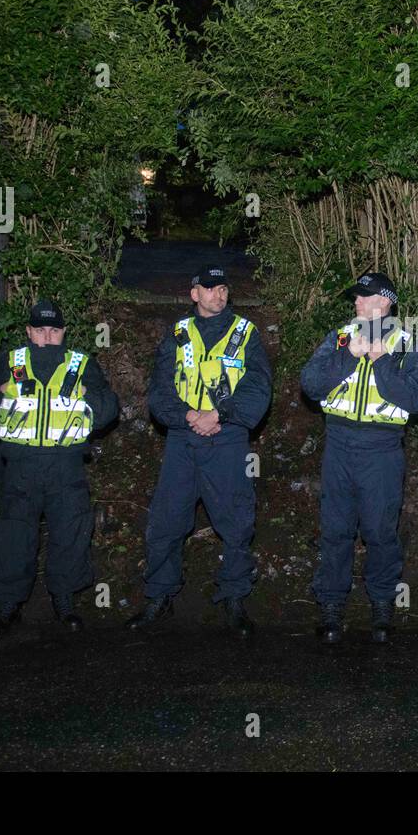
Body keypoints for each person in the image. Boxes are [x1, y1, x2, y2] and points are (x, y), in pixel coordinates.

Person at [127, 266, 272, 636]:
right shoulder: (178, 334)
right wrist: (187, 415)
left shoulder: (245, 333)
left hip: (226, 438)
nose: (217, 295)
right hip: (183, 438)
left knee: (237, 521)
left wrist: (218, 414)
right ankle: (160, 597)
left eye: (223, 288)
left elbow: (258, 389)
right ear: (194, 294)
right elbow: (159, 390)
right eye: (209, 289)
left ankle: (235, 598)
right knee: (166, 521)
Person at [0, 299, 119, 638]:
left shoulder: (81, 364)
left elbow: (110, 409)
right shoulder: (12, 362)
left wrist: (86, 395)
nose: (47, 337)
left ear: (64, 333)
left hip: (66, 466)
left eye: (54, 330)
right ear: (29, 331)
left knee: (70, 534)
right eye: (40, 330)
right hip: (21, 466)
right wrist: (1, 392)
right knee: (14, 535)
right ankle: (9, 606)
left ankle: (65, 602)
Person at [299, 272, 418, 643]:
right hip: (339, 446)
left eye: (364, 296)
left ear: (385, 302)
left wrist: (383, 363)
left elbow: (417, 400)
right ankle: (330, 606)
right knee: (336, 530)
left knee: (380, 531)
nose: (356, 302)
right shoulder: (340, 337)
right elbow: (309, 384)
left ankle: (382, 607)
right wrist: (348, 357)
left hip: (382, 451)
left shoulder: (406, 344)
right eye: (356, 296)